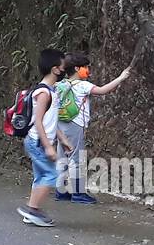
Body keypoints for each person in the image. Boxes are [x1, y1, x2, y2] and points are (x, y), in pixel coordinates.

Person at [55, 51, 131, 203]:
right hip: (75, 125)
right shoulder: (82, 85)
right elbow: (103, 90)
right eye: (86, 67)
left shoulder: (62, 84)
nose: (88, 71)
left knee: (62, 157)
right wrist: (121, 77)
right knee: (76, 159)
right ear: (77, 69)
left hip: (60, 124)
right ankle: (78, 194)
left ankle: (61, 191)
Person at [17, 49, 71, 227]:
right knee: (51, 175)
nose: (65, 70)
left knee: (41, 176)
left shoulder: (51, 90)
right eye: (63, 67)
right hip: (38, 142)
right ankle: (31, 209)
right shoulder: (44, 93)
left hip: (41, 141)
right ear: (55, 69)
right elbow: (38, 122)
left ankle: (32, 212)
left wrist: (62, 139)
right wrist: (48, 147)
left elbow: (51, 121)